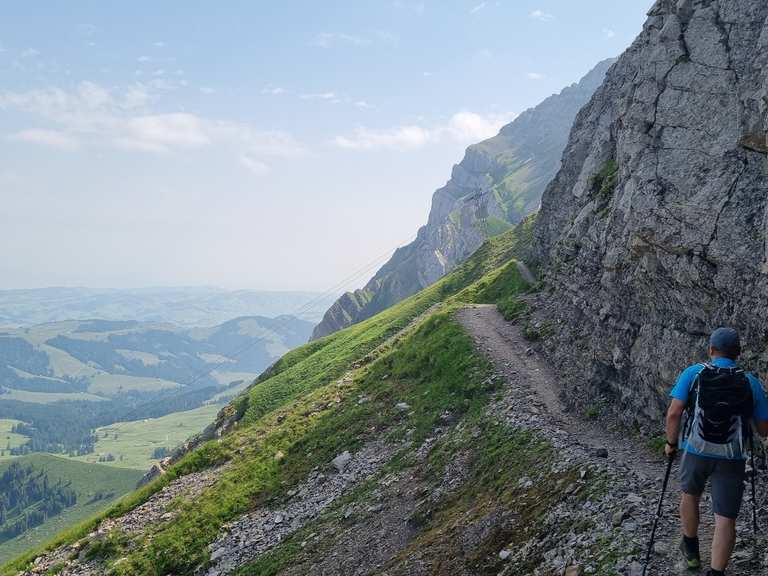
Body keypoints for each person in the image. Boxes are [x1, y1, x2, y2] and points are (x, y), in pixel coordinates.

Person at [664, 327, 768, 576]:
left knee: (690, 495)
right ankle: (716, 572)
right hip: (732, 456)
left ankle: (691, 552)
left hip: (695, 449)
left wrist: (671, 443)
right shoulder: (750, 382)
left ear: (711, 350)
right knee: (725, 516)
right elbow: (764, 429)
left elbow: (674, 412)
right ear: (738, 353)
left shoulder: (694, 373)